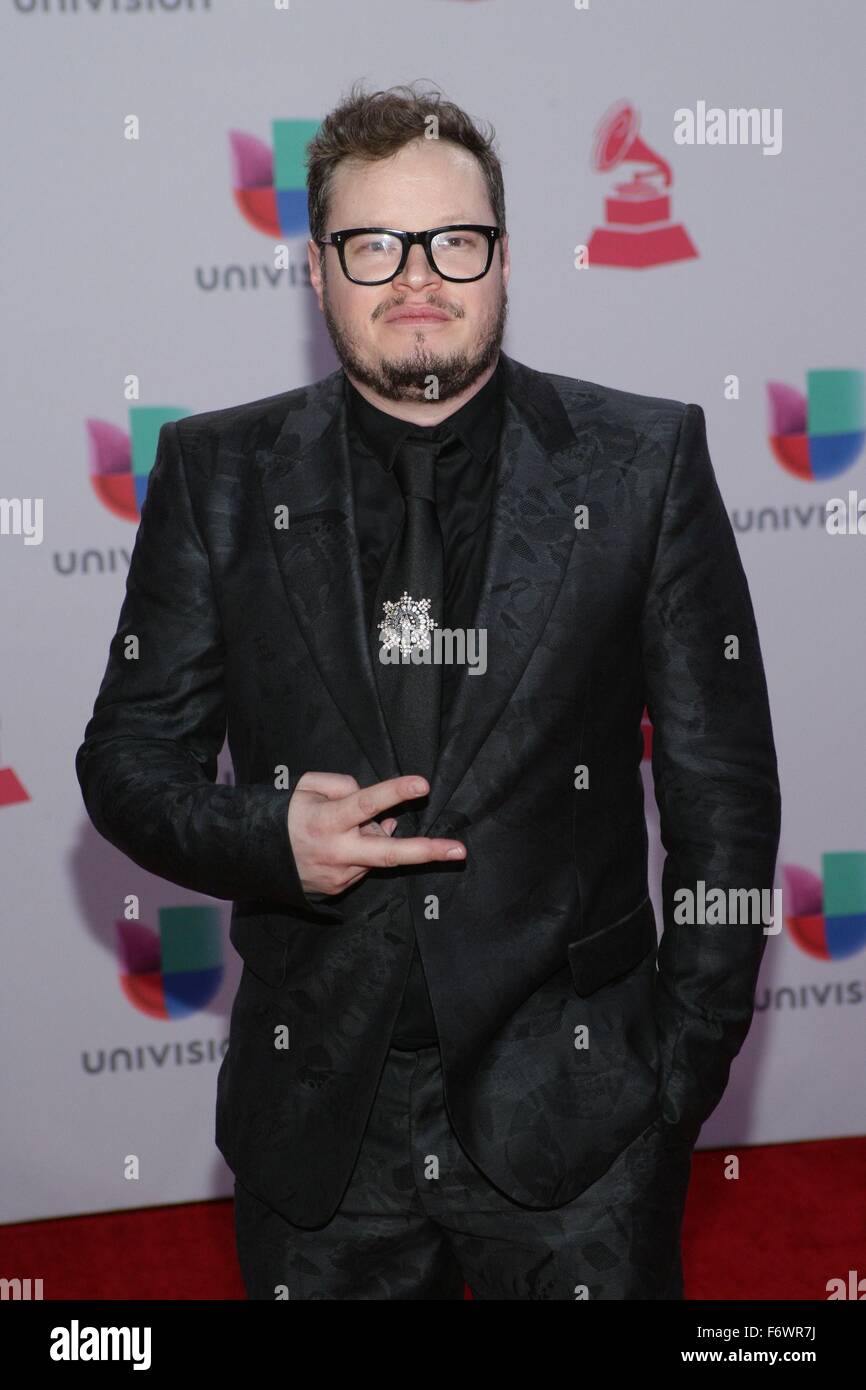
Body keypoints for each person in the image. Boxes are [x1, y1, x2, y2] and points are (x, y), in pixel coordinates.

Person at [75, 80, 781, 1300]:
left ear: (503, 259)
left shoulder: (639, 465)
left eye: (454, 240)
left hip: (581, 1119)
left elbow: (724, 798)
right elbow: (126, 759)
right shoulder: (218, 476)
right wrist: (269, 835)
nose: (418, 275)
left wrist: (676, 1074)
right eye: (373, 244)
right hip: (321, 1126)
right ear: (315, 271)